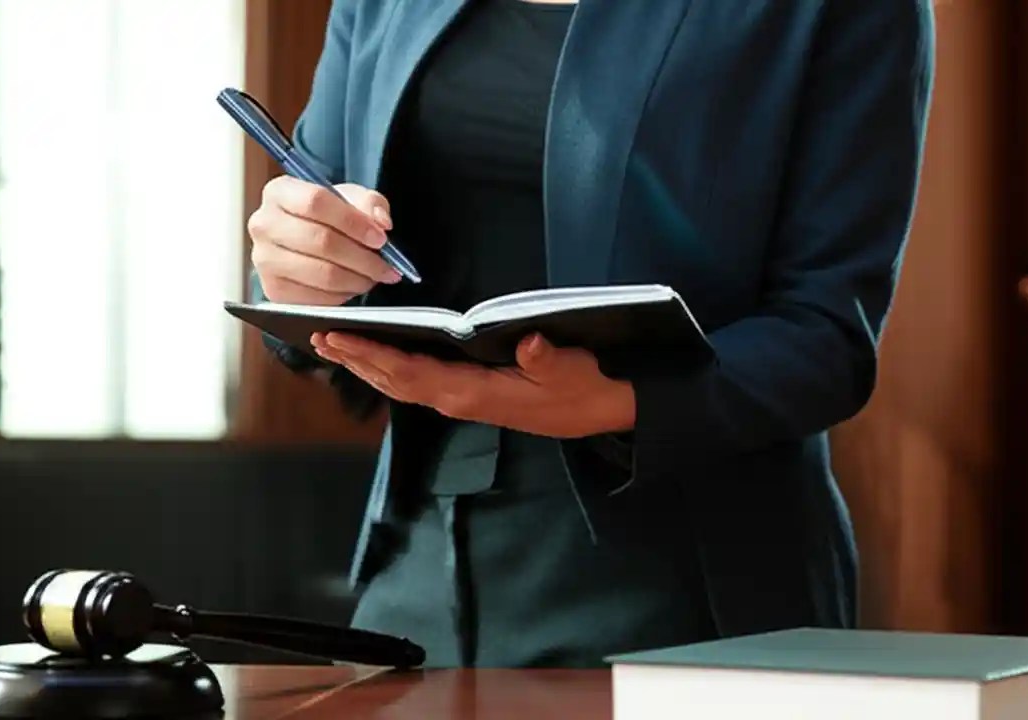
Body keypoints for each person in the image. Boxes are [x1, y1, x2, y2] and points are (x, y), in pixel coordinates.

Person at [247, 0, 936, 668]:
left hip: (694, 590)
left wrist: (619, 401)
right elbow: (309, 235)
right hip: (415, 574)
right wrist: (297, 268)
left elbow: (826, 340)